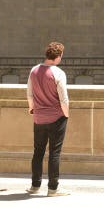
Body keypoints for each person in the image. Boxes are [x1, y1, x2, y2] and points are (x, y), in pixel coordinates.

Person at [26, 41, 70, 197]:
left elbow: (30, 94)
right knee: (54, 153)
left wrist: (32, 109)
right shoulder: (58, 73)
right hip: (56, 118)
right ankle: (53, 188)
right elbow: (64, 99)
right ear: (58, 56)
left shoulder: (34, 71)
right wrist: (66, 114)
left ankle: (34, 186)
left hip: (38, 118)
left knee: (38, 152)